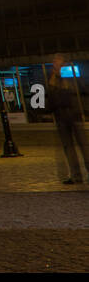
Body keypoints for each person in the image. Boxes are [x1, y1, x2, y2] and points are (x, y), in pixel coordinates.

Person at [49, 55, 87, 185]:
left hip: (74, 113)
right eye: (54, 61)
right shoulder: (52, 78)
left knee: (84, 146)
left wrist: (69, 76)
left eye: (58, 60)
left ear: (64, 62)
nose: (56, 63)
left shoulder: (71, 74)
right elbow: (50, 95)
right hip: (61, 116)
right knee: (68, 147)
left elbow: (81, 90)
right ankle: (76, 176)